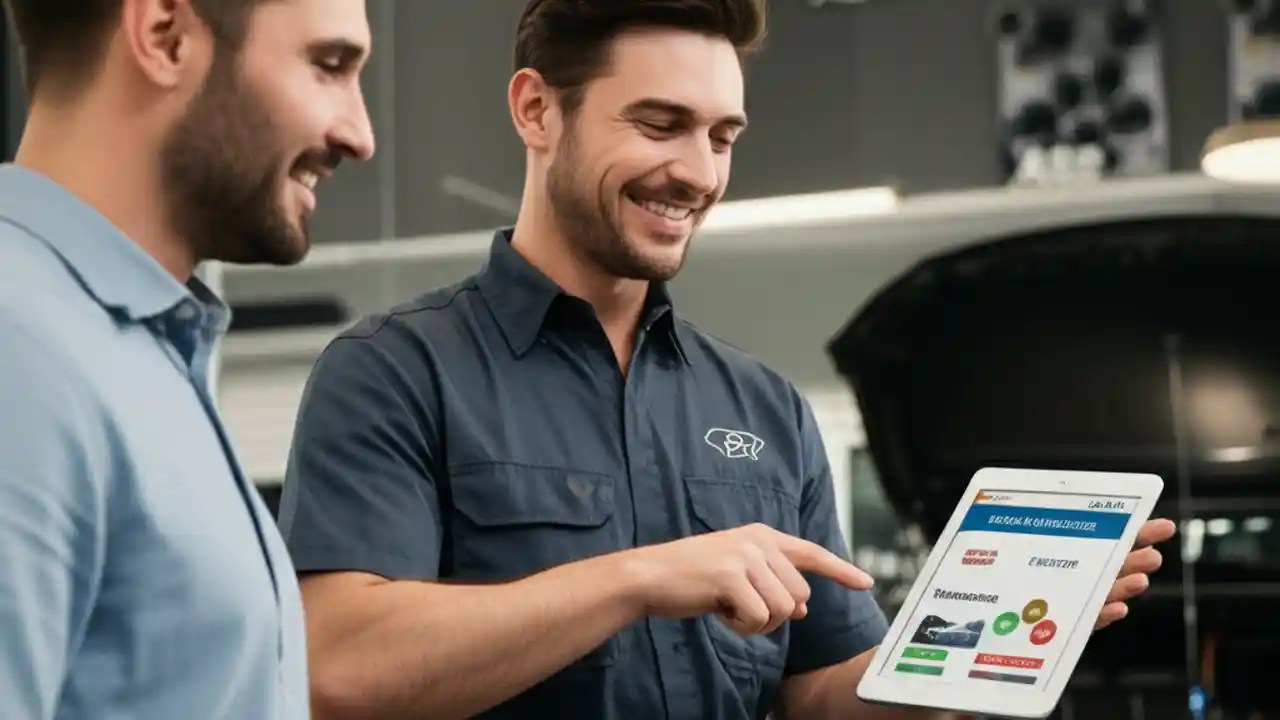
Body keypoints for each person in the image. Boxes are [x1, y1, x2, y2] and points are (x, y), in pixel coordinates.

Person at [277, 1, 1176, 718]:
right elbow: (340, 671)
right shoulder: (394, 373)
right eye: (660, 124)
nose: (699, 173)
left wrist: (977, 660)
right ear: (536, 109)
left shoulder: (764, 407)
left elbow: (818, 695)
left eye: (722, 137)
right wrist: (638, 579)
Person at [0, 0, 374, 718]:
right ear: (165, 36)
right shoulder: (21, 358)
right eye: (328, 66)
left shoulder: (131, 348)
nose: (359, 135)